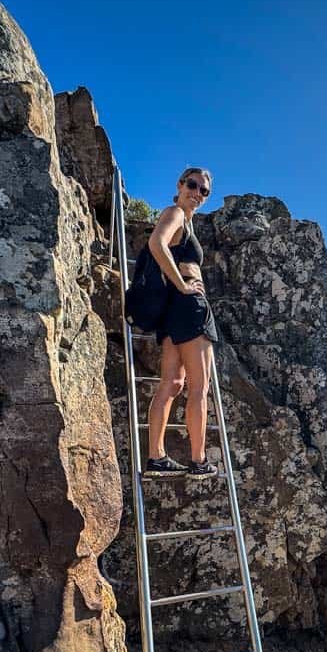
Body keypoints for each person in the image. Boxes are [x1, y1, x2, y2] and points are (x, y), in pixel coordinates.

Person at [142, 167, 220, 479]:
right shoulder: (174, 213)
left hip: (172, 310)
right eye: (193, 184)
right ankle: (199, 461)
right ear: (180, 184)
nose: (197, 193)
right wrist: (183, 285)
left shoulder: (185, 221)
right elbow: (156, 244)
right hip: (188, 306)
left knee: (172, 384)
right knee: (199, 387)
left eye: (204, 191)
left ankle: (157, 456)